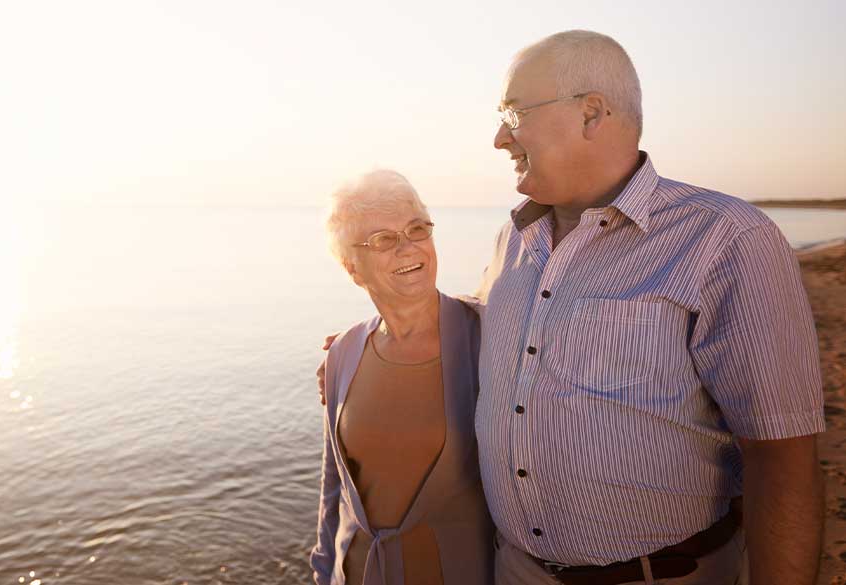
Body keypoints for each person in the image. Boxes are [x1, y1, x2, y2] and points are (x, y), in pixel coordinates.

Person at [319, 30, 824, 585]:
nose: (498, 138)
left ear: (590, 114)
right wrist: (368, 344)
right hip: (516, 572)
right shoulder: (513, 240)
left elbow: (781, 457)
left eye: (512, 114)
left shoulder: (726, 239)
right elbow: (492, 313)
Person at [312, 170, 493, 585]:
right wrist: (323, 573)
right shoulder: (344, 352)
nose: (407, 247)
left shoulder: (487, 335)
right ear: (353, 269)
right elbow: (333, 491)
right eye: (383, 240)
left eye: (416, 229)